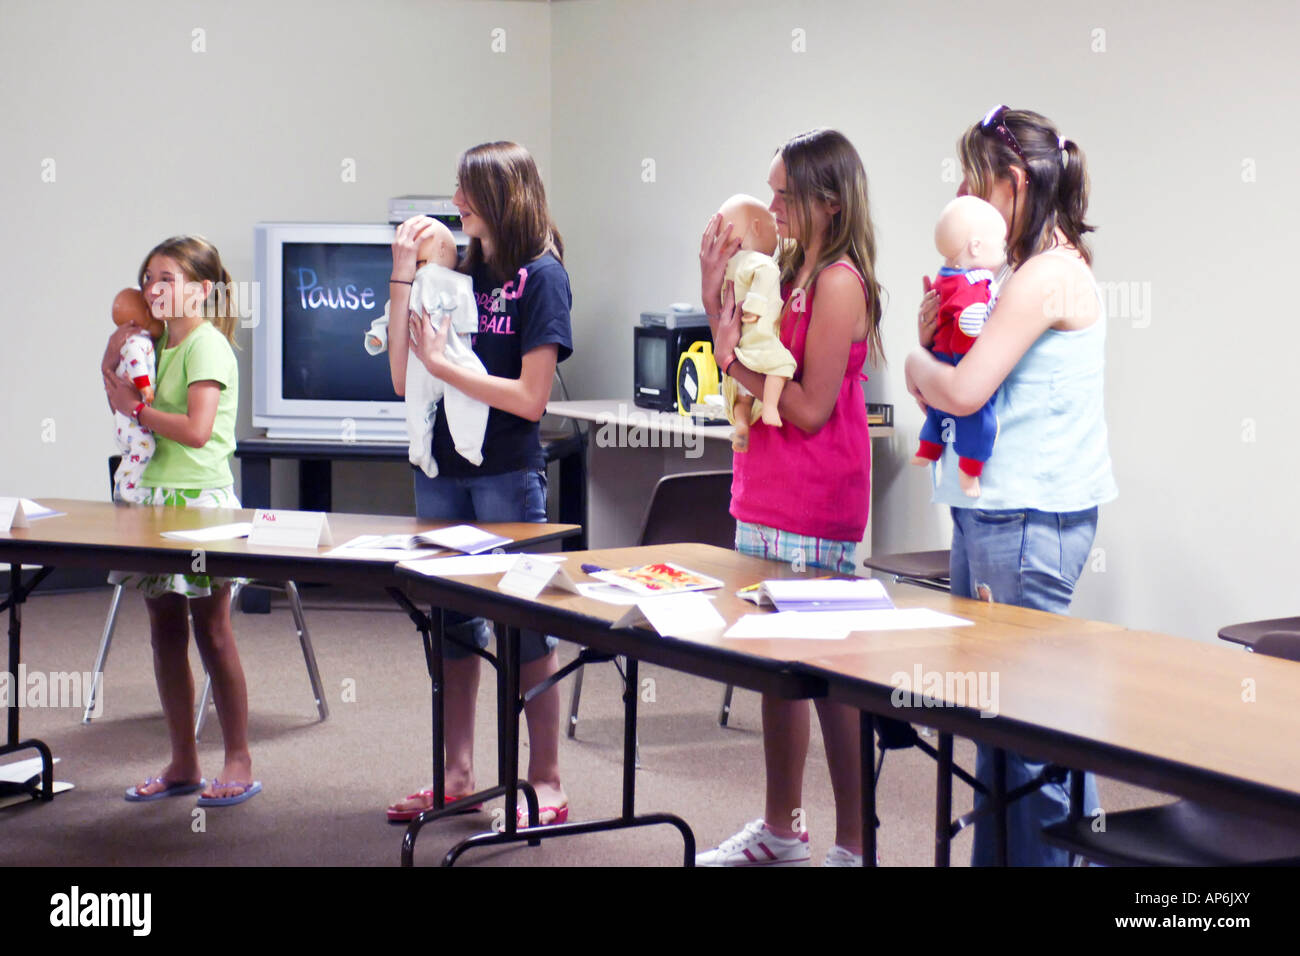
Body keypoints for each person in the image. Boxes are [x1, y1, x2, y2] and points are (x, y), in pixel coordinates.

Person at [904, 106, 1118, 865]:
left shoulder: (1047, 276)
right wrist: (937, 350)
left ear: (1016, 182)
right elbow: (961, 389)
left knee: (1031, 733)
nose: (964, 196)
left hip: (1027, 518)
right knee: (995, 723)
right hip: (995, 514)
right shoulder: (1017, 275)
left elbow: (961, 392)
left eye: (975, 180)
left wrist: (916, 364)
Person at [696, 128, 885, 866]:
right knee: (777, 669)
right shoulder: (786, 269)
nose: (771, 206)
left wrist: (731, 361)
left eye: (785, 194)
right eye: (771, 191)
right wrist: (712, 289)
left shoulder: (839, 282)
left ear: (829, 202)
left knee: (829, 678)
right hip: (766, 491)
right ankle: (783, 829)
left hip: (816, 495)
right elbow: (737, 340)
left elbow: (807, 408)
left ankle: (854, 845)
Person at [384, 141, 572, 826]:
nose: (456, 201)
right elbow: (402, 377)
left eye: (468, 190)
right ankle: (456, 774)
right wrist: (402, 275)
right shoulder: (459, 268)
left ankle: (545, 783)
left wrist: (447, 366)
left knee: (527, 629)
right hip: (440, 471)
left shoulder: (542, 275)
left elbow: (531, 398)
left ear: (502, 196)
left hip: (507, 475)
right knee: (453, 626)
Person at [101, 235, 259, 807]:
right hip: (153, 501)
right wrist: (112, 356)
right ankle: (183, 763)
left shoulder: (207, 346)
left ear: (201, 289)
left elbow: (195, 430)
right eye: (148, 278)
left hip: (200, 507)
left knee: (212, 632)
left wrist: (139, 410)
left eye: (166, 278)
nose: (152, 289)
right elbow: (125, 401)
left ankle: (238, 759)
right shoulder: (153, 345)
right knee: (164, 633)